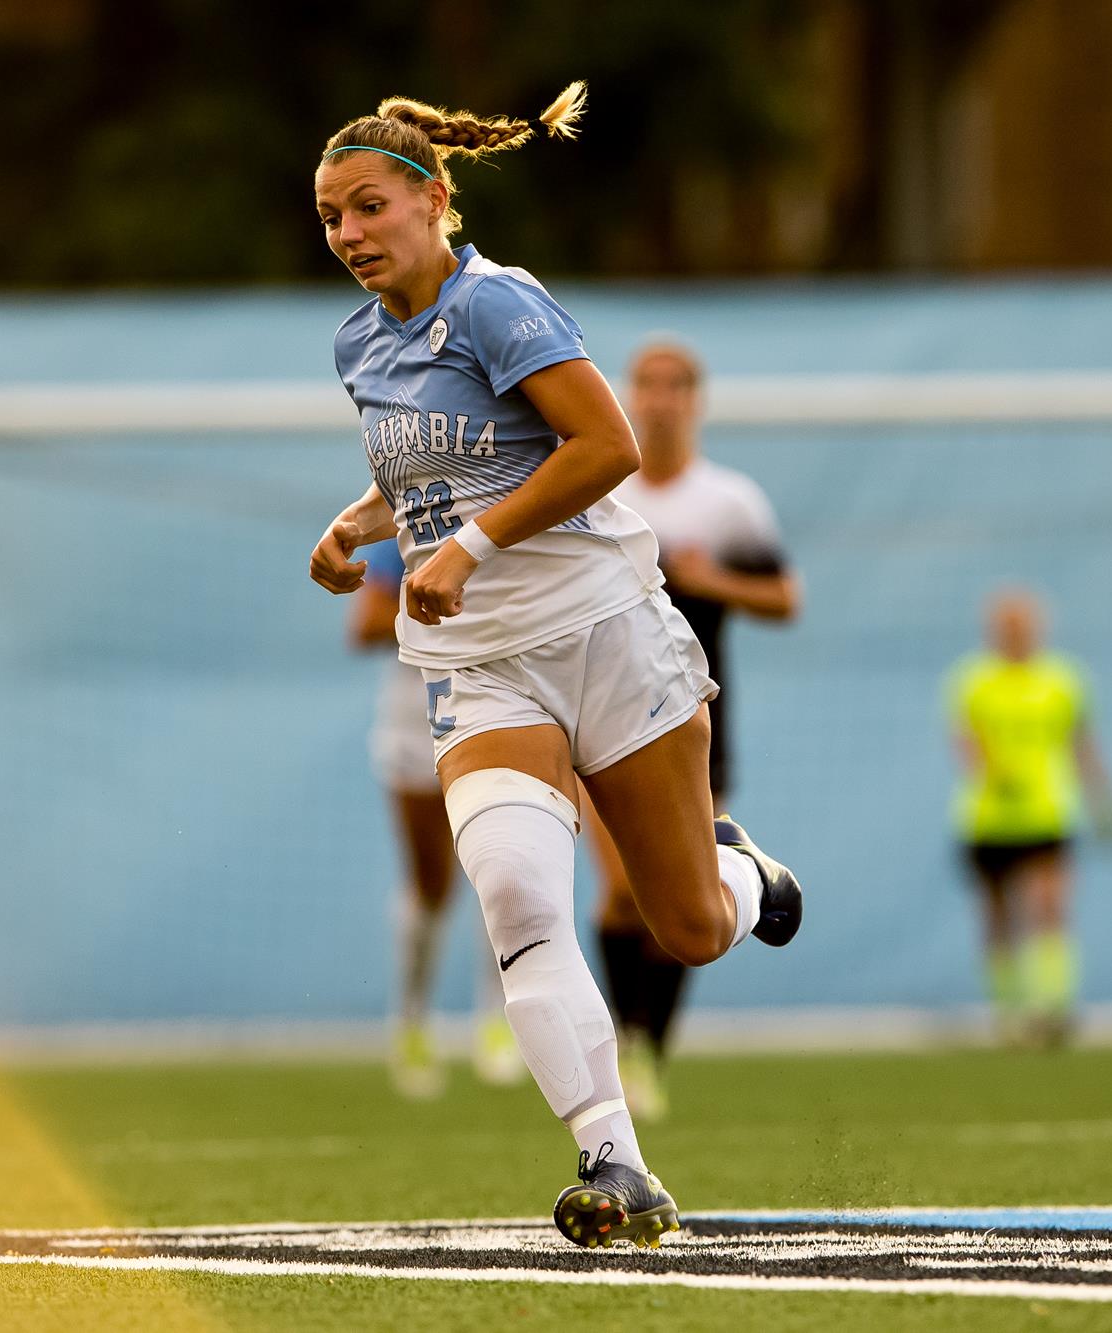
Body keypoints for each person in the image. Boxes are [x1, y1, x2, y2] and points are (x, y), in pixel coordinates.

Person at [307, 85, 803, 1250]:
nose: (347, 233)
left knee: (685, 926)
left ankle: (748, 879)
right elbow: (426, 471)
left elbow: (603, 445)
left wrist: (470, 547)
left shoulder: (498, 301)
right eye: (329, 216)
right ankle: (613, 1160)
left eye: (367, 206)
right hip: (479, 668)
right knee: (518, 897)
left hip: (605, 634)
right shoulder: (357, 343)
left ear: (435, 197)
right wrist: (356, 526)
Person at [588, 338, 801, 1121]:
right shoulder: (599, 489)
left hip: (692, 719)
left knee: (679, 904)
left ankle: (650, 1048)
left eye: (675, 385)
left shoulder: (728, 501)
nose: (660, 398)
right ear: (627, 394)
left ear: (695, 400)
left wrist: (712, 578)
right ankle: (628, 1040)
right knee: (620, 892)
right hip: (600, 711)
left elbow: (785, 597)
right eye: (647, 383)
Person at [351, 537, 524, 1097]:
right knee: (432, 883)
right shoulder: (403, 528)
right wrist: (430, 610)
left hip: (498, 706)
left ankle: (500, 1021)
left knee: (502, 868)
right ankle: (411, 1020)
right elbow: (365, 625)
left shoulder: (509, 521)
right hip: (418, 718)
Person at [947, 587, 1112, 1046]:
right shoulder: (973, 680)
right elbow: (965, 741)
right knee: (998, 916)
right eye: (1006, 625)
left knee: (1050, 907)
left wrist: (1103, 801)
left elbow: (1081, 744)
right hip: (988, 818)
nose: (1015, 633)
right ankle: (1009, 1013)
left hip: (1047, 814)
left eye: (1023, 625)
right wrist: (993, 772)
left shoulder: (1063, 680)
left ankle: (1052, 1008)